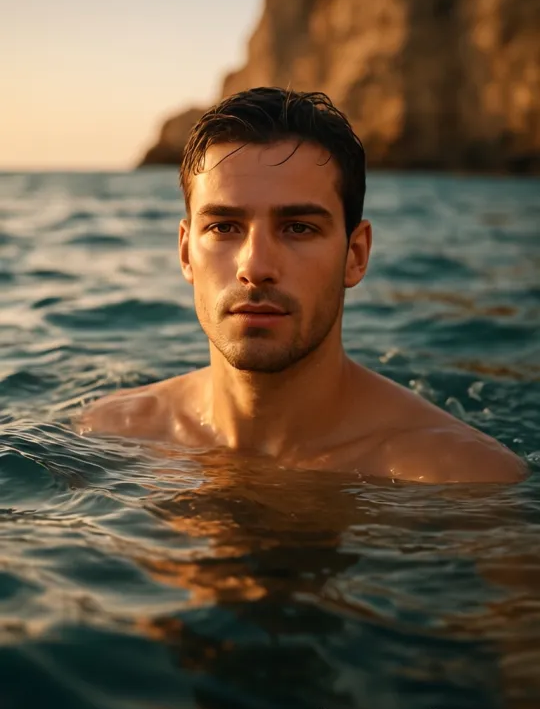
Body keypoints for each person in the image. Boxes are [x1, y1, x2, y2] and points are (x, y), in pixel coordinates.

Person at [76, 87, 529, 484]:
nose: (255, 266)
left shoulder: (462, 479)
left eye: (297, 228)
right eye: (224, 227)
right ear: (184, 252)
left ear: (355, 256)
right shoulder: (110, 434)